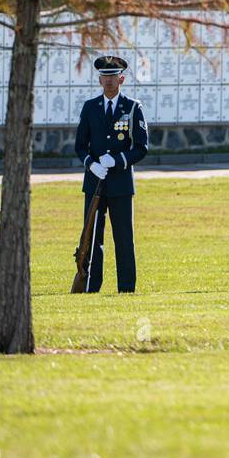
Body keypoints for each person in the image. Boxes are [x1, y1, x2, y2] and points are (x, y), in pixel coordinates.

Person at [73, 55, 149, 292]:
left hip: (121, 183)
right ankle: (90, 286)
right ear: (99, 80)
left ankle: (126, 287)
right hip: (95, 182)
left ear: (122, 78)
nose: (109, 81)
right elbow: (79, 145)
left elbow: (141, 147)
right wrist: (91, 164)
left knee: (124, 238)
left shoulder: (133, 107)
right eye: (105, 77)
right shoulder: (89, 108)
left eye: (113, 76)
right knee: (93, 237)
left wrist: (117, 160)